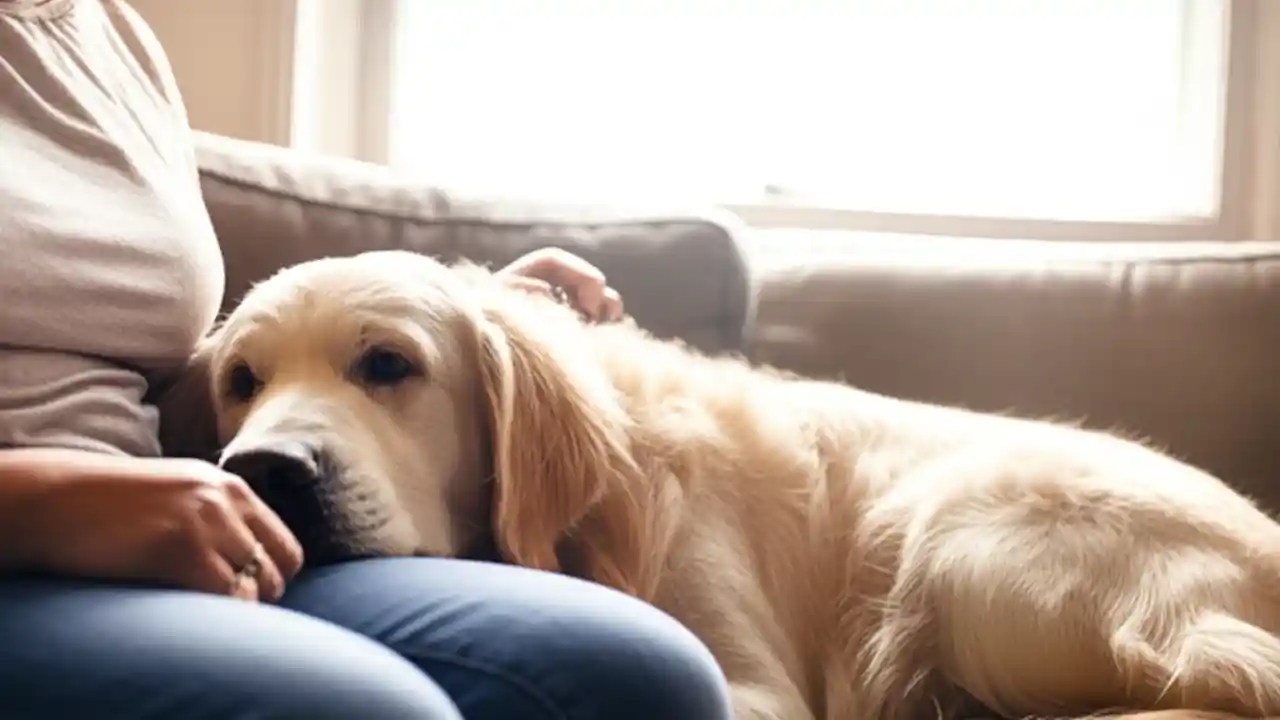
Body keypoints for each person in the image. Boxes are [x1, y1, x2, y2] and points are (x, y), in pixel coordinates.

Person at [0, 1, 733, 718]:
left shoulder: (106, 34)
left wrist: (452, 321)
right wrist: (57, 501)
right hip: (34, 551)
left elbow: (111, 348)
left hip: (193, 541)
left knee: (643, 675)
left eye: (385, 368)